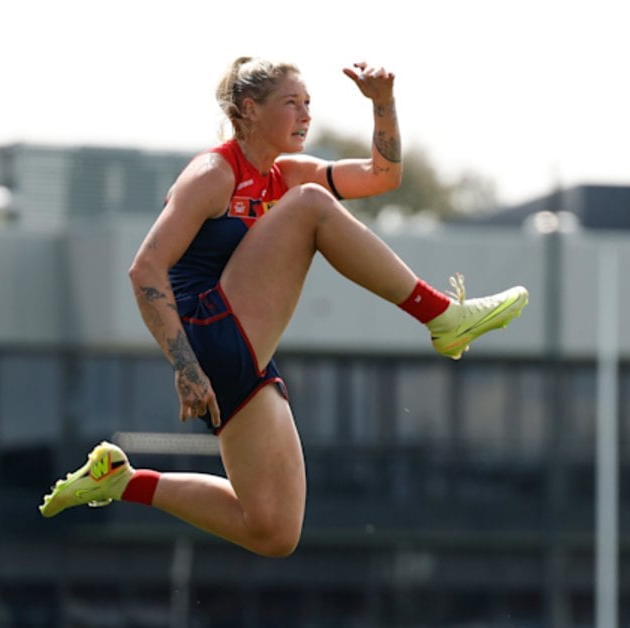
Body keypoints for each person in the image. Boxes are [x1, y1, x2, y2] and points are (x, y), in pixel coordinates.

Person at [39, 57, 528, 557]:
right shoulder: (213, 173)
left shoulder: (287, 173)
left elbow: (383, 177)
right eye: (291, 103)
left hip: (239, 351)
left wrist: (383, 105)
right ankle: (441, 316)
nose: (306, 115)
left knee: (273, 531)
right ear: (249, 110)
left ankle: (121, 480)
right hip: (206, 333)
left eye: (308, 103)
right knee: (311, 205)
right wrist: (185, 367)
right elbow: (145, 270)